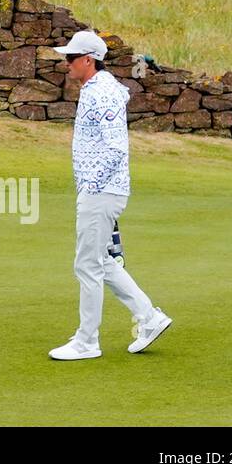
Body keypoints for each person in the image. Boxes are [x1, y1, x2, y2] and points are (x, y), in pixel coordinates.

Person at [48, 29, 172, 361]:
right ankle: (150, 318)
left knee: (86, 265)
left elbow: (116, 147)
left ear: (88, 60)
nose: (67, 64)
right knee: (102, 262)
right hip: (103, 191)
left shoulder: (100, 93)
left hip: (101, 191)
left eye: (71, 58)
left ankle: (87, 341)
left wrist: (91, 184)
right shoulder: (98, 89)